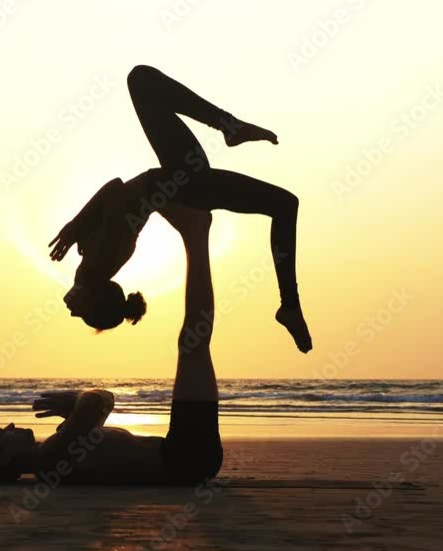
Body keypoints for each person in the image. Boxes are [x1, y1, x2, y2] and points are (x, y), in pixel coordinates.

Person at [50, 65, 311, 353]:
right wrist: (76, 226)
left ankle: (290, 306)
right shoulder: (102, 260)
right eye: (83, 313)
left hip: (183, 185)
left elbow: (113, 199)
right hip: (181, 181)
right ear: (95, 296)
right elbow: (115, 188)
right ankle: (229, 126)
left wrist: (79, 230)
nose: (73, 312)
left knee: (285, 204)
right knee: (141, 80)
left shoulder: (92, 268)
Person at [0, 205, 222, 485]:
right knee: (193, 342)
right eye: (0, 434)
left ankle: (196, 234)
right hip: (185, 456)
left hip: (186, 456)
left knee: (193, 342)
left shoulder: (56, 449)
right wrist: (77, 402)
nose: (9, 426)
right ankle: (195, 235)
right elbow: (100, 399)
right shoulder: (50, 457)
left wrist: (77, 414)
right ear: (4, 459)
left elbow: (99, 406)